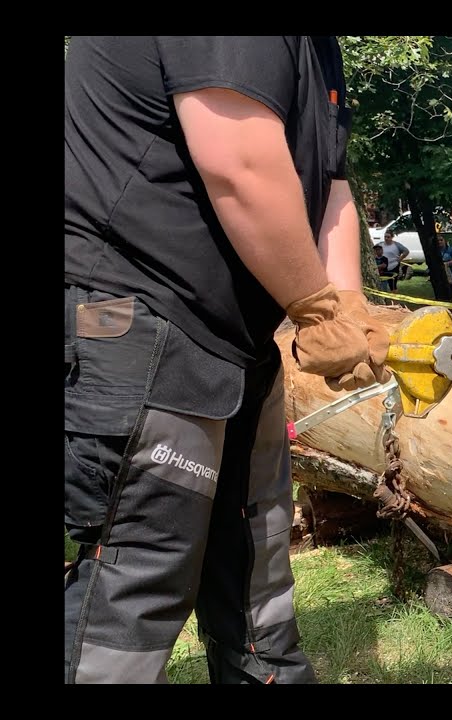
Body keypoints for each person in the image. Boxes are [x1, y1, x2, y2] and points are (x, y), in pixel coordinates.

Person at [65, 36, 389, 683]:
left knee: (258, 569)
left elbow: (332, 191)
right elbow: (237, 162)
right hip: (139, 325)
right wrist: (318, 310)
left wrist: (347, 309)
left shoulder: (317, 50)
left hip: (235, 347)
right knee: (136, 581)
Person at [438, 236, 452, 301]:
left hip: (451, 274)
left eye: (441, 240)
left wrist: (447, 264)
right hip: (439, 275)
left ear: (445, 241)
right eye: (438, 240)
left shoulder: (450, 250)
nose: (439, 242)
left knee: (451, 292)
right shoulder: (435, 251)